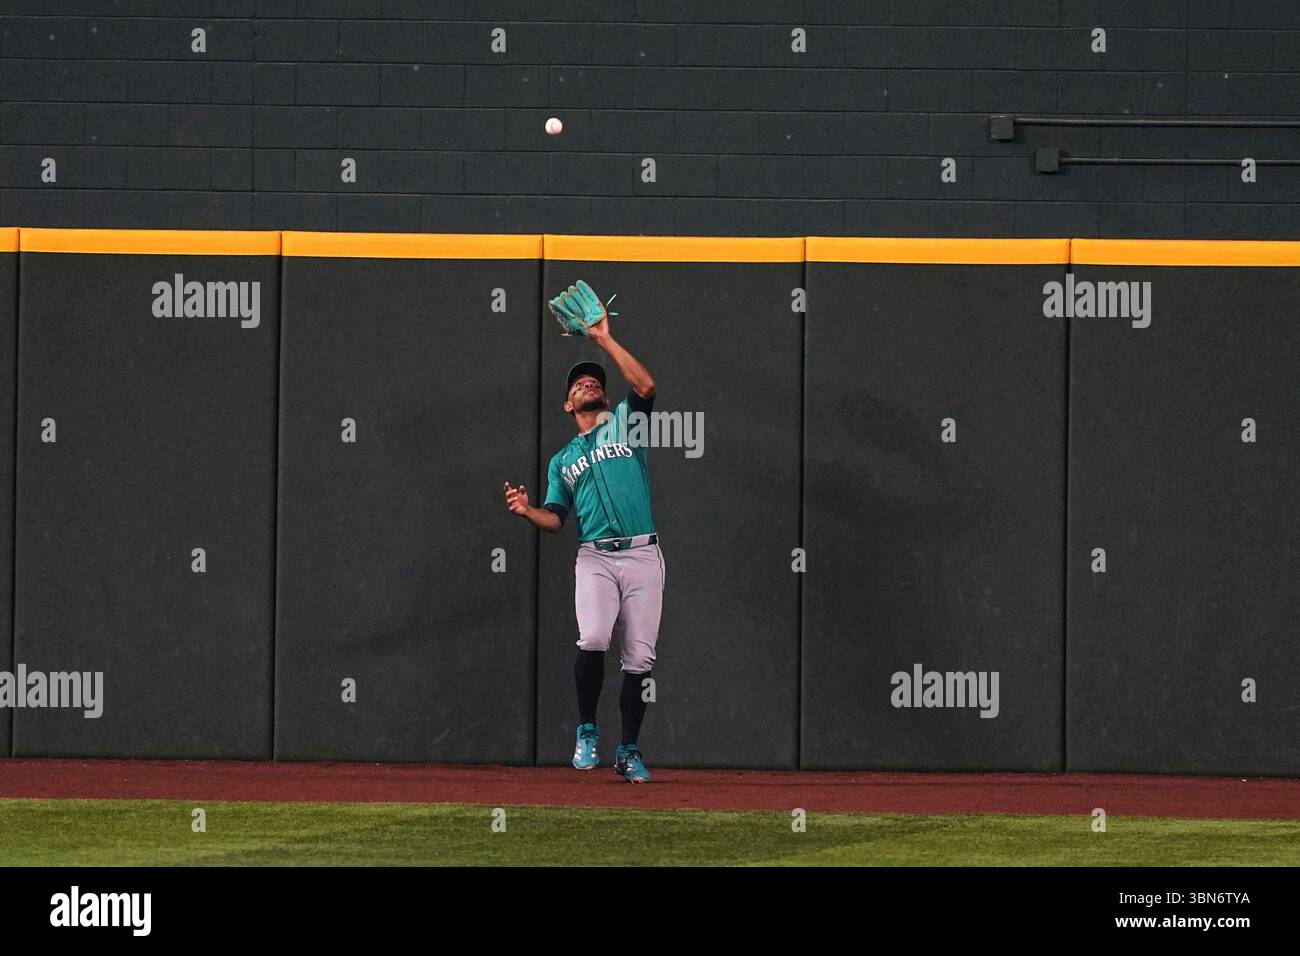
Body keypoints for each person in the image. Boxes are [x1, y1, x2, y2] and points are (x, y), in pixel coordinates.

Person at [503, 316, 662, 783]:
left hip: (642, 554)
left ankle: (628, 750)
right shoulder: (562, 461)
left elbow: (647, 385)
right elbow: (555, 519)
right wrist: (528, 511)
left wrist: (605, 338)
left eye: (594, 381)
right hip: (594, 555)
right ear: (567, 403)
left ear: (606, 398)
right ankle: (587, 731)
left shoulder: (626, 426)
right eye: (578, 384)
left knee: (640, 658)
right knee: (593, 638)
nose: (587, 383)